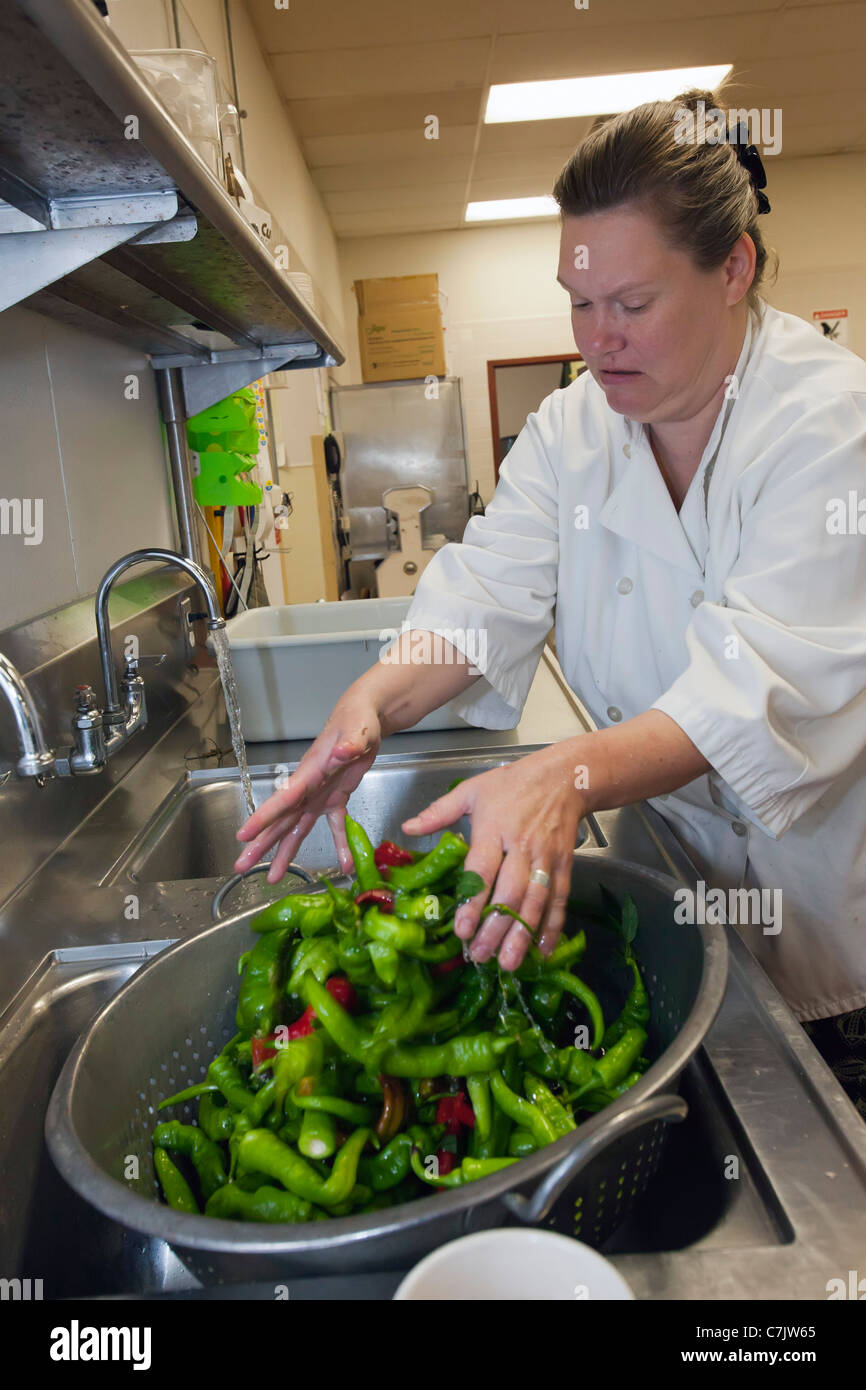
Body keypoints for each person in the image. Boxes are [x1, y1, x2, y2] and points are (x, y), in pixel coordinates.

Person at [235, 89, 866, 1114]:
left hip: (836, 928)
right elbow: (487, 588)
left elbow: (765, 683)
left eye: (631, 303)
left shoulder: (826, 421)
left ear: (732, 270)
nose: (598, 336)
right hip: (687, 896)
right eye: (579, 303)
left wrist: (565, 774)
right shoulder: (575, 428)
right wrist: (370, 704)